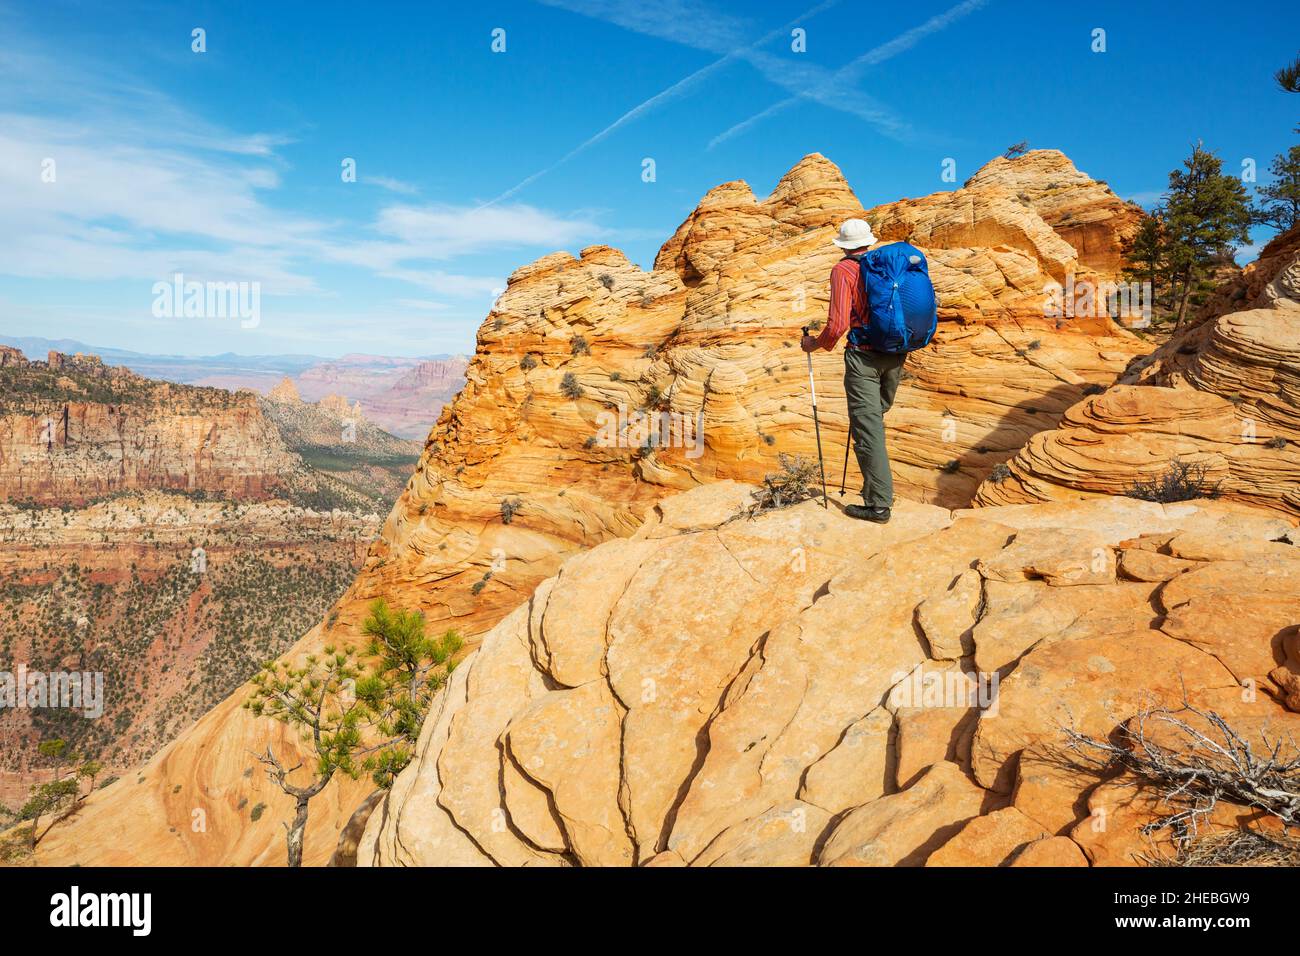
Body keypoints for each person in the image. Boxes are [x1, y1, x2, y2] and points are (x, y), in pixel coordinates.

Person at [800, 218, 904, 524]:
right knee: (874, 422)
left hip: (864, 358)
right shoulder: (886, 266)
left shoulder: (843, 269)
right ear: (868, 241)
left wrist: (814, 345)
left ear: (843, 245)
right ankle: (878, 485)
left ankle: (879, 505)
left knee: (867, 429)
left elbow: (837, 325)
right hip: (897, 352)